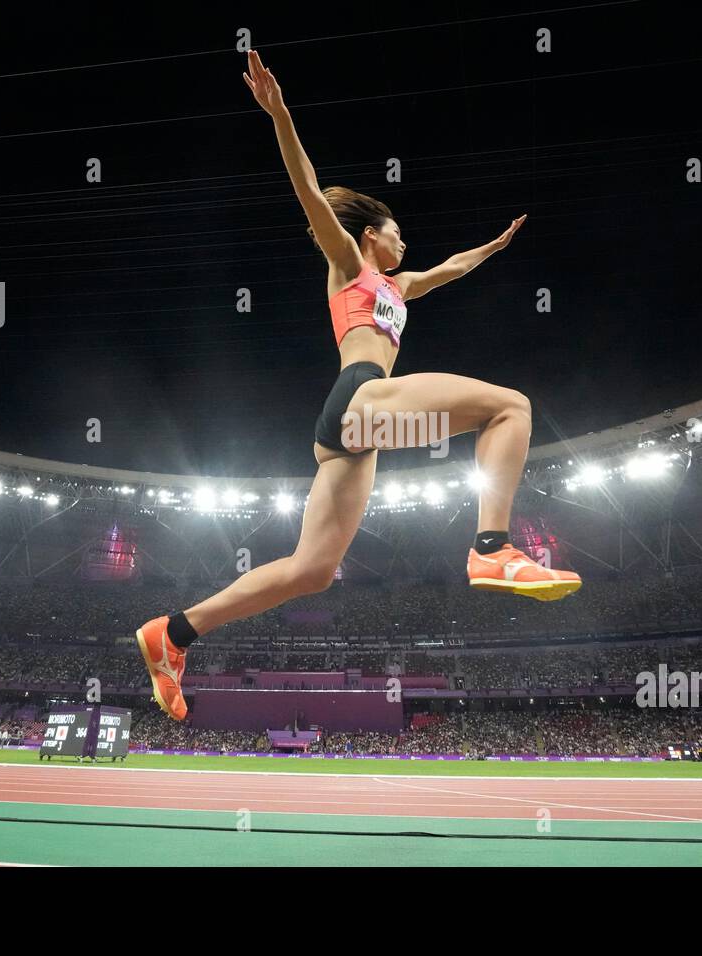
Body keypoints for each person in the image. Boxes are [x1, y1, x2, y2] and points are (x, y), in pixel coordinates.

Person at [136, 50, 582, 721]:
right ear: (371, 234)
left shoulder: (400, 285)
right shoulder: (348, 263)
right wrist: (281, 115)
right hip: (361, 398)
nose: (406, 243)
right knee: (508, 409)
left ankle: (173, 633)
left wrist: (489, 250)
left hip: (352, 435)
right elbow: (309, 192)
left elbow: (447, 269)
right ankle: (492, 548)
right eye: (398, 233)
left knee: (311, 570)